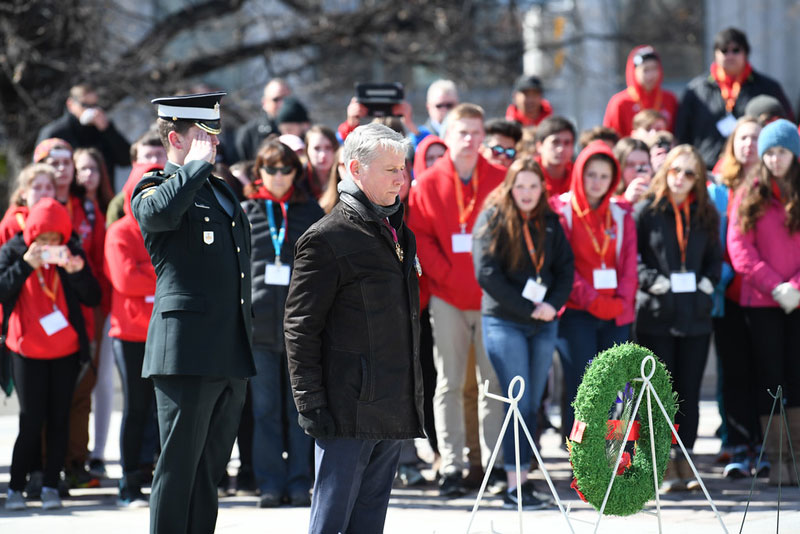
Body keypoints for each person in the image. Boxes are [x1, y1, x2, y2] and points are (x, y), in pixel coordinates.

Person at [284, 123, 423, 533]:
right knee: (330, 522)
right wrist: (310, 402)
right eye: (391, 169)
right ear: (356, 169)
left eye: (403, 167)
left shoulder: (401, 233)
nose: (402, 177)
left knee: (369, 524)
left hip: (391, 405)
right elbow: (299, 327)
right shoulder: (326, 238)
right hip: (345, 409)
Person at [130, 92, 256, 533]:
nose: (212, 144)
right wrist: (194, 166)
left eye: (214, 136)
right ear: (173, 137)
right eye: (202, 135)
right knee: (178, 467)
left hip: (228, 351)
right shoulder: (152, 186)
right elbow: (159, 216)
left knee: (209, 471)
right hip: (185, 354)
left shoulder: (220, 192)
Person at [408, 103, 505, 497]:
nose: (469, 140)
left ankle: (493, 465)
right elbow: (420, 236)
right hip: (447, 297)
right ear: (445, 137)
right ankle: (452, 465)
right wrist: (446, 278)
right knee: (448, 383)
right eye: (462, 132)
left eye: (476, 133)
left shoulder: (500, 179)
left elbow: (510, 232)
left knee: (491, 383)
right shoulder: (428, 183)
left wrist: (492, 279)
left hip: (490, 297)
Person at [473, 157, 574, 509]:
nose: (527, 193)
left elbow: (566, 269)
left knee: (533, 404)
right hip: (505, 321)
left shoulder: (550, 222)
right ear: (510, 187)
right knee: (517, 401)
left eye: (533, 186)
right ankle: (513, 486)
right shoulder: (494, 218)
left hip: (544, 322)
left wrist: (554, 305)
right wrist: (527, 308)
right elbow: (486, 274)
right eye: (521, 186)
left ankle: (525, 481)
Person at [0, 198, 101, 511]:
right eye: (42, 240)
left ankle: (50, 485)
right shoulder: (15, 250)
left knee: (60, 419)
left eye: (53, 240)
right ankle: (16, 486)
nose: (48, 246)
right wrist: (25, 265)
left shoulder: (72, 251)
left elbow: (93, 296)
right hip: (26, 349)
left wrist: (77, 270)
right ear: (31, 236)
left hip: (66, 350)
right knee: (31, 421)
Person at [632, 144, 721, 492]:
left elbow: (715, 258)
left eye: (689, 173)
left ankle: (686, 456)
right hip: (657, 315)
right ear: (664, 171)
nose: (681, 178)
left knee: (689, 391)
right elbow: (633, 259)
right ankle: (660, 460)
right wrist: (652, 282)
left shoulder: (705, 213)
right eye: (675, 171)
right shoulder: (647, 212)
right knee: (658, 393)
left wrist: (708, 283)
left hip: (695, 316)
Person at [241, 139, 324, 507]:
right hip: (258, 327)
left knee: (298, 410)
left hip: (300, 329)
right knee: (264, 411)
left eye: (285, 169)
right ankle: (270, 483)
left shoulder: (310, 212)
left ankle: (299, 481)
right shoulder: (245, 211)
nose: (277, 177)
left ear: (296, 172)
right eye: (270, 169)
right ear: (258, 171)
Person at [549, 141, 637, 442]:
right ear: (579, 174)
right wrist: (595, 301)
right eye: (591, 174)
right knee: (583, 387)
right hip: (577, 313)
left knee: (618, 388)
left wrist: (620, 303)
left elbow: (628, 265)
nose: (597, 182)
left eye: (604, 175)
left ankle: (615, 455)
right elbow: (563, 266)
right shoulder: (563, 210)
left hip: (616, 312)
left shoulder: (621, 213)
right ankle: (582, 455)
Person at [728, 119, 800, 486]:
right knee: (770, 380)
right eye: (769, 152)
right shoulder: (750, 192)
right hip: (761, 302)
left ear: (794, 154)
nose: (775, 159)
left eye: (782, 152)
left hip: (798, 302)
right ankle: (777, 459)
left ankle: (798, 459)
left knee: (797, 377)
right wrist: (776, 286)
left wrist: (796, 287)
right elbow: (740, 249)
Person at [34, 137, 106, 490]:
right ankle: (42, 466)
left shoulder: (87, 208)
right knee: (41, 398)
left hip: (81, 314)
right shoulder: (26, 208)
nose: (62, 170)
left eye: (67, 163)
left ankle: (76, 462)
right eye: (54, 162)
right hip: (37, 316)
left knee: (81, 393)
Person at [707, 116, 765, 479]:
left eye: (756, 138)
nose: (749, 144)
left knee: (764, 369)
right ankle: (735, 443)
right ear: (732, 144)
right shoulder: (719, 187)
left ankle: (764, 444)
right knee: (732, 371)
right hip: (727, 290)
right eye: (742, 137)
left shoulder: (777, 185)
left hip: (763, 294)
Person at [104, 163, 161, 507]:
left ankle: (154, 476)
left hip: (163, 330)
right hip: (129, 334)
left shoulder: (168, 228)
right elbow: (126, 280)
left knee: (162, 410)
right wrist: (159, 275)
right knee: (136, 409)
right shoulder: (120, 232)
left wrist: (147, 272)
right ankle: (128, 482)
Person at [675, 27, 794, 168]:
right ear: (715, 54)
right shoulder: (696, 90)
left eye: (736, 50)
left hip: (757, 169)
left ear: (746, 53)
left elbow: (786, 128)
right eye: (724, 50)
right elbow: (682, 135)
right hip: (706, 170)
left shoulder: (768, 87)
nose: (730, 55)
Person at [36, 83, 131, 178]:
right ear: (70, 104)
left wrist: (107, 130)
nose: (90, 110)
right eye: (85, 105)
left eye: (94, 105)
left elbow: (127, 160)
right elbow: (39, 169)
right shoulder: (55, 132)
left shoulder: (102, 127)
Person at [603, 45, 678, 137]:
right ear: (634, 71)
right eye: (645, 70)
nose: (651, 75)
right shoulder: (620, 102)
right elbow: (611, 138)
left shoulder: (669, 99)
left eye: (654, 68)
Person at [107, 128, 168, 225]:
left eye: (159, 154)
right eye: (147, 156)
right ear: (135, 162)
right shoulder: (120, 204)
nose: (154, 161)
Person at [235, 78, 292, 161]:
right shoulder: (248, 133)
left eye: (286, 99)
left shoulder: (302, 126)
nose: (282, 103)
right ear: (264, 103)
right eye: (276, 99)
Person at [0, 163, 57, 245]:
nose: (44, 192)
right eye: (37, 187)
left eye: (49, 187)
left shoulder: (61, 220)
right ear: (23, 193)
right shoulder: (10, 226)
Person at [534, 116, 576, 198]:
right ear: (539, 146)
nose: (561, 149)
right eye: (555, 142)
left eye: (567, 143)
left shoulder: (580, 176)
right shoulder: (526, 174)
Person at [613, 137, 653, 207]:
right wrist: (626, 200)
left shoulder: (661, 195)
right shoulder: (606, 198)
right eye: (630, 165)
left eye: (643, 164)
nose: (638, 169)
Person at [304, 125, 339, 199]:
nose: (323, 155)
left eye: (328, 148)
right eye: (316, 148)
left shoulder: (344, 177)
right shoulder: (298, 179)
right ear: (307, 150)